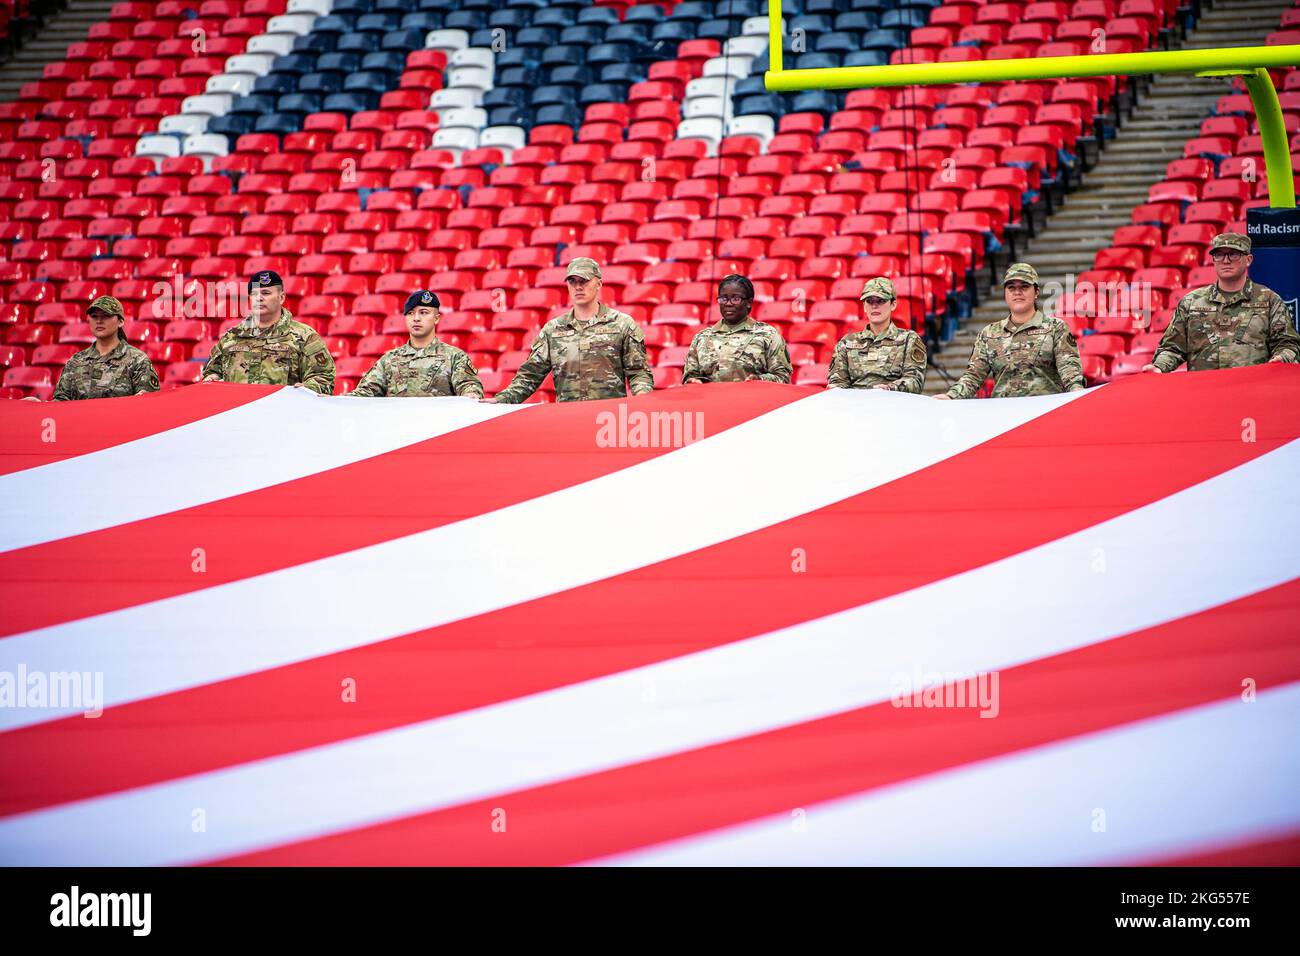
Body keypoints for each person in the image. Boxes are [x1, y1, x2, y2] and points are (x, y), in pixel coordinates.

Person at [491, 257, 654, 403]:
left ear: (599, 283)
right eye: (572, 281)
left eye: (584, 281)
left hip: (607, 418)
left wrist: (642, 401)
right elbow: (530, 376)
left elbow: (638, 373)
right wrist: (501, 400)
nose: (578, 287)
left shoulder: (622, 324)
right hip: (568, 421)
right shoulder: (553, 330)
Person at [1143, 232, 1299, 373]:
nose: (1226, 260)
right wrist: (1159, 367)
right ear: (1213, 260)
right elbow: (1172, 348)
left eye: (1233, 254)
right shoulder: (1191, 302)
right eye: (1219, 255)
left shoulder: (1269, 300)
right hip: (1205, 394)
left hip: (1252, 392)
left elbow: (1288, 344)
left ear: (1248, 259)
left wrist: (1282, 358)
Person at [937, 263, 1085, 400]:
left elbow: (1070, 373)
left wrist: (1077, 391)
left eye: (1024, 287)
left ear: (1036, 292)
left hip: (1045, 414)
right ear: (1005, 293)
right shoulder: (989, 333)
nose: (1017, 292)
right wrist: (951, 396)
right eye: (1011, 288)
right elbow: (973, 376)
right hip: (1006, 416)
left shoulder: (1056, 328)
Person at [201, 270, 334, 395]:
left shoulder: (304, 336)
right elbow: (212, 373)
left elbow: (323, 377)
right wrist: (212, 378)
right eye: (254, 294)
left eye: (266, 293)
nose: (259, 298)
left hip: (283, 415)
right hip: (239, 415)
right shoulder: (231, 337)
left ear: (281, 298)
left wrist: (307, 389)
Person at [23, 295, 159, 401]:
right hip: (82, 432)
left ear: (120, 321)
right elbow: (61, 402)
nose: (99, 321)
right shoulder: (76, 361)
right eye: (94, 316)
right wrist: (40, 406)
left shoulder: (137, 360)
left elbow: (148, 404)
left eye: (106, 316)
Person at [349, 290, 483, 398]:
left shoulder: (455, 357)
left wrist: (470, 394)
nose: (416, 318)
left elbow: (470, 389)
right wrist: (338, 400)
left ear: (436, 319)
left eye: (423, 312)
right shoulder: (389, 360)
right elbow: (364, 394)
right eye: (410, 313)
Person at [681, 274, 791, 384]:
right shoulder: (702, 337)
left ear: (749, 302)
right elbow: (689, 376)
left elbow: (783, 377)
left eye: (735, 299)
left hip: (752, 399)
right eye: (723, 298)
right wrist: (693, 381)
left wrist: (759, 380)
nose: (728, 304)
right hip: (711, 400)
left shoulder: (768, 335)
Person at [826, 277, 927, 392]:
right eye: (869, 301)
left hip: (893, 404)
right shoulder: (847, 343)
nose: (874, 306)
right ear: (864, 306)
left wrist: (889, 388)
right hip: (856, 406)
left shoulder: (909, 339)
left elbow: (915, 380)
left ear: (893, 304)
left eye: (881, 301)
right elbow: (837, 382)